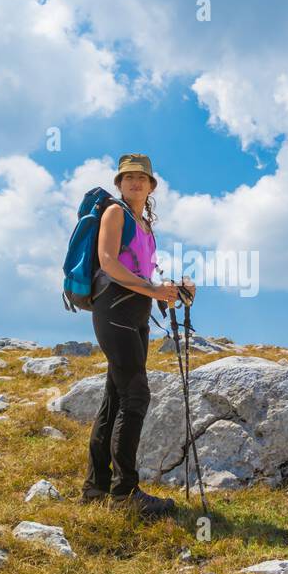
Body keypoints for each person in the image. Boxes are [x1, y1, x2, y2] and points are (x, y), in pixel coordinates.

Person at [82, 153, 194, 518]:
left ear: (151, 186)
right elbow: (109, 261)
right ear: (120, 183)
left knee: (115, 398)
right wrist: (153, 289)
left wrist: (172, 289)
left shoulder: (143, 224)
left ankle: (96, 489)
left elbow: (142, 272)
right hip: (114, 309)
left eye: (140, 178)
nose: (134, 183)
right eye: (127, 178)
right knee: (136, 395)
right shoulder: (115, 213)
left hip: (136, 313)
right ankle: (125, 493)